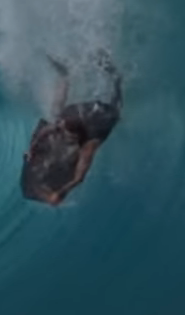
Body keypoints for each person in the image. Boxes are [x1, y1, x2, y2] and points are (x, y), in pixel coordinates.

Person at [20, 52, 123, 206]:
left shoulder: (79, 134)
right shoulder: (86, 140)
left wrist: (32, 149)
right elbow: (78, 178)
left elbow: (79, 176)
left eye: (65, 129)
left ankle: (65, 76)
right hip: (86, 128)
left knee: (56, 114)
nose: (63, 129)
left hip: (83, 125)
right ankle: (114, 80)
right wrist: (60, 193)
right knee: (113, 111)